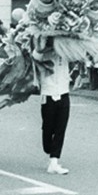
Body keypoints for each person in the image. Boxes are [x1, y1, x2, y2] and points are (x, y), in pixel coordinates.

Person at [34, 36, 71, 175]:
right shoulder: (43, 53)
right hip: (48, 94)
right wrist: (43, 45)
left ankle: (54, 161)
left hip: (64, 92)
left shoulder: (66, 52)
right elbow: (36, 55)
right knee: (48, 128)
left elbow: (77, 54)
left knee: (61, 128)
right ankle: (49, 150)